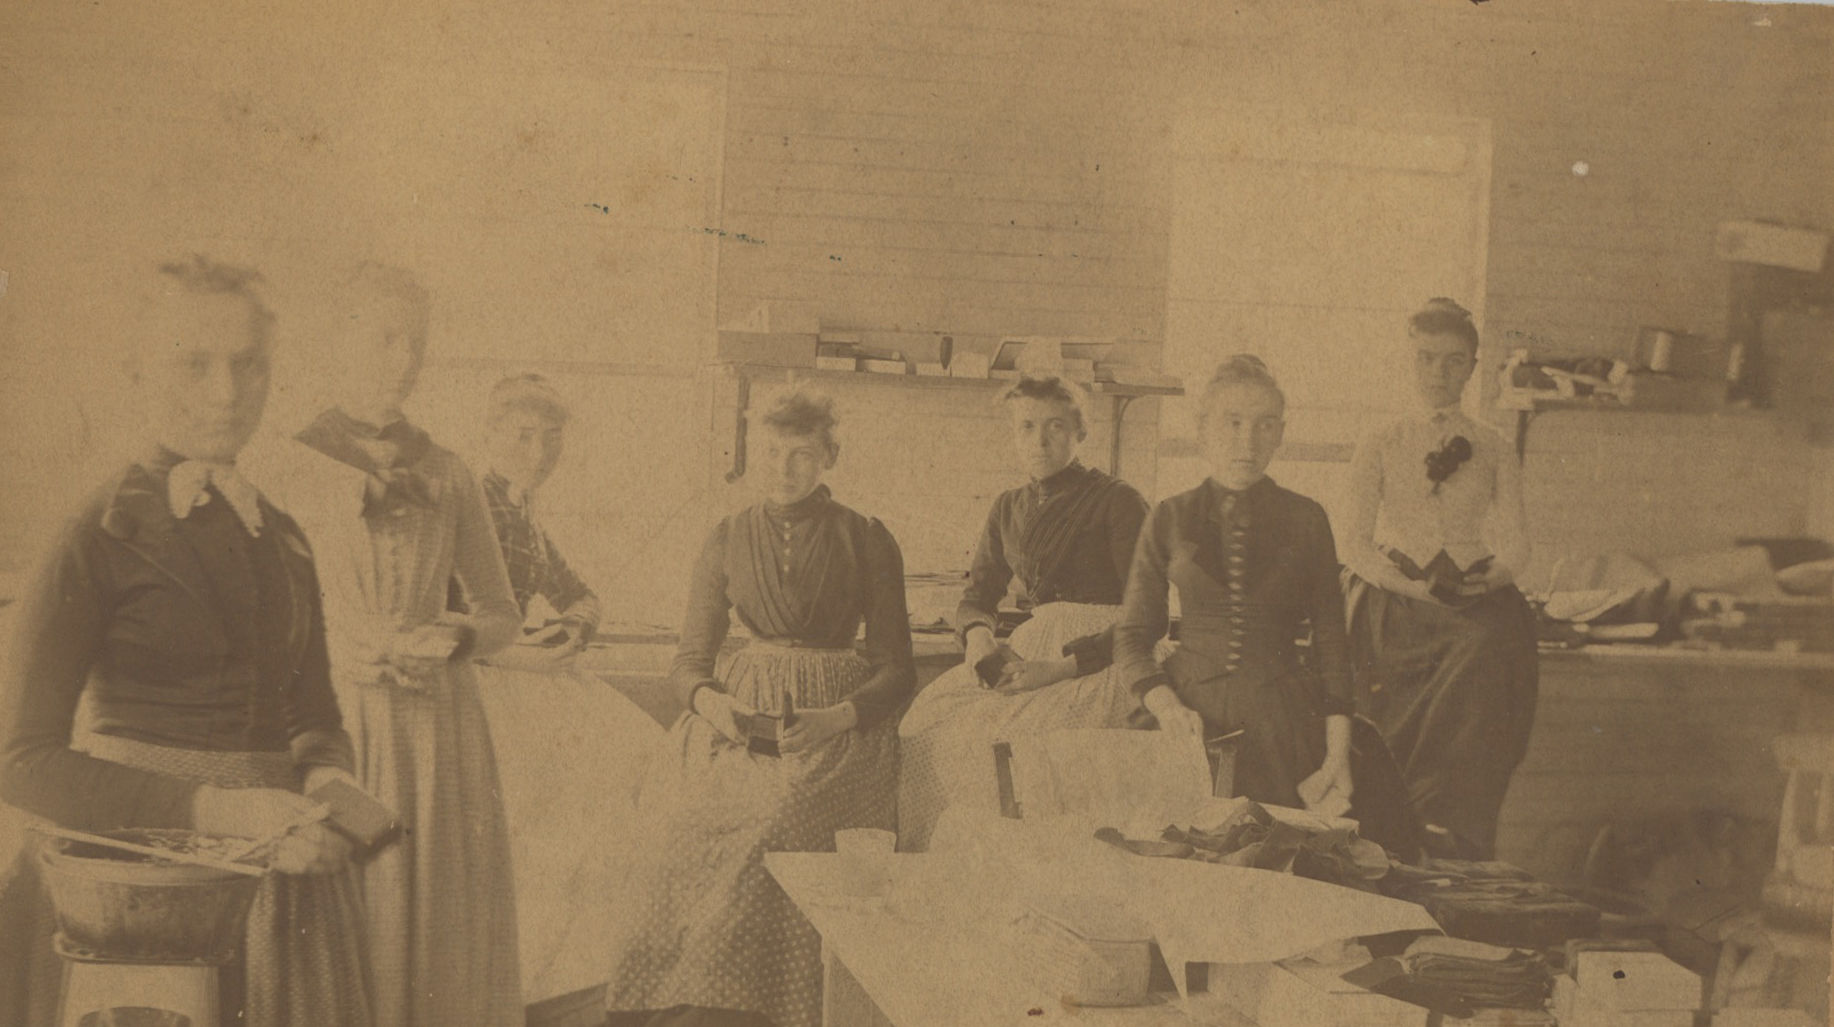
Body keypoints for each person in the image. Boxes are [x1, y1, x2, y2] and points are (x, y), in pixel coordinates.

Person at [0, 256, 373, 1026]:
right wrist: (226, 813)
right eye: (194, 363)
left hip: (286, 898)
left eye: (248, 364)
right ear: (137, 370)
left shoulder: (287, 536)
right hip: (140, 899)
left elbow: (316, 720)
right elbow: (20, 760)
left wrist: (330, 802)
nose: (226, 392)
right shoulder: (94, 530)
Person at [242, 262, 524, 1026]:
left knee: (432, 921)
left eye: (418, 343)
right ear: (342, 338)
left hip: (438, 729)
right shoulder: (282, 464)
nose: (403, 358)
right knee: (339, 911)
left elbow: (502, 611)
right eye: (384, 337)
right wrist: (334, 648)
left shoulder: (452, 471)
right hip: (329, 719)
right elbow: (249, 618)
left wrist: (457, 634)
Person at [604, 391, 914, 1027]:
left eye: (802, 454)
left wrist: (834, 718)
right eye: (772, 452)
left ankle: (770, 1008)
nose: (784, 468)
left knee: (779, 822)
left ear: (830, 457)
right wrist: (723, 712)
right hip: (737, 718)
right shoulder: (725, 536)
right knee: (678, 828)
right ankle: (680, 1003)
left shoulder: (867, 537)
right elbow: (689, 663)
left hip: (837, 729)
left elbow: (897, 670)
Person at [452, 373, 662, 1003]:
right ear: (489, 435)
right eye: (522, 436)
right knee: (528, 839)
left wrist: (572, 630)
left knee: (639, 765)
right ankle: (507, 985)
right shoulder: (472, 505)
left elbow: (585, 594)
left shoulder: (526, 512)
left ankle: (556, 985)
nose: (538, 452)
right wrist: (523, 655)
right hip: (484, 687)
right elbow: (445, 618)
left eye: (551, 439)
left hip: (535, 677)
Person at [896, 375, 1149, 849]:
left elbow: (1145, 616)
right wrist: (979, 638)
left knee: (1009, 747)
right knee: (923, 726)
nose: (1040, 441)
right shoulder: (1008, 506)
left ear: (1080, 432)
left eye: (1055, 426)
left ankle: (1017, 866)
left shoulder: (1119, 501)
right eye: (1026, 427)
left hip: (1103, 659)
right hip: (1034, 649)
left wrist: (1059, 668)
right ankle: (951, 871)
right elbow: (978, 594)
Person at [1112, 355, 1355, 812]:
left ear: (1280, 433)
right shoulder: (1169, 516)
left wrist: (1338, 751)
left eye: (1265, 425)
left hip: (1284, 724)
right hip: (1186, 717)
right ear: (1203, 427)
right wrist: (1165, 706)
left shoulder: (1306, 518)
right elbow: (1131, 637)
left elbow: (1332, 642)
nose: (1248, 441)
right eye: (1233, 422)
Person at [1340, 298, 1536, 860]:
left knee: (1487, 655)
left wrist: (1492, 578)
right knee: (1382, 702)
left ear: (1473, 366)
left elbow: (1519, 545)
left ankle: (1453, 835)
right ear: (1409, 361)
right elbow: (1352, 542)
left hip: (1471, 595)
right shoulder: (1380, 440)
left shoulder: (1494, 444)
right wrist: (1406, 586)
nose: (1437, 375)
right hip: (1394, 593)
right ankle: (1389, 834)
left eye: (1453, 362)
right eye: (1425, 359)